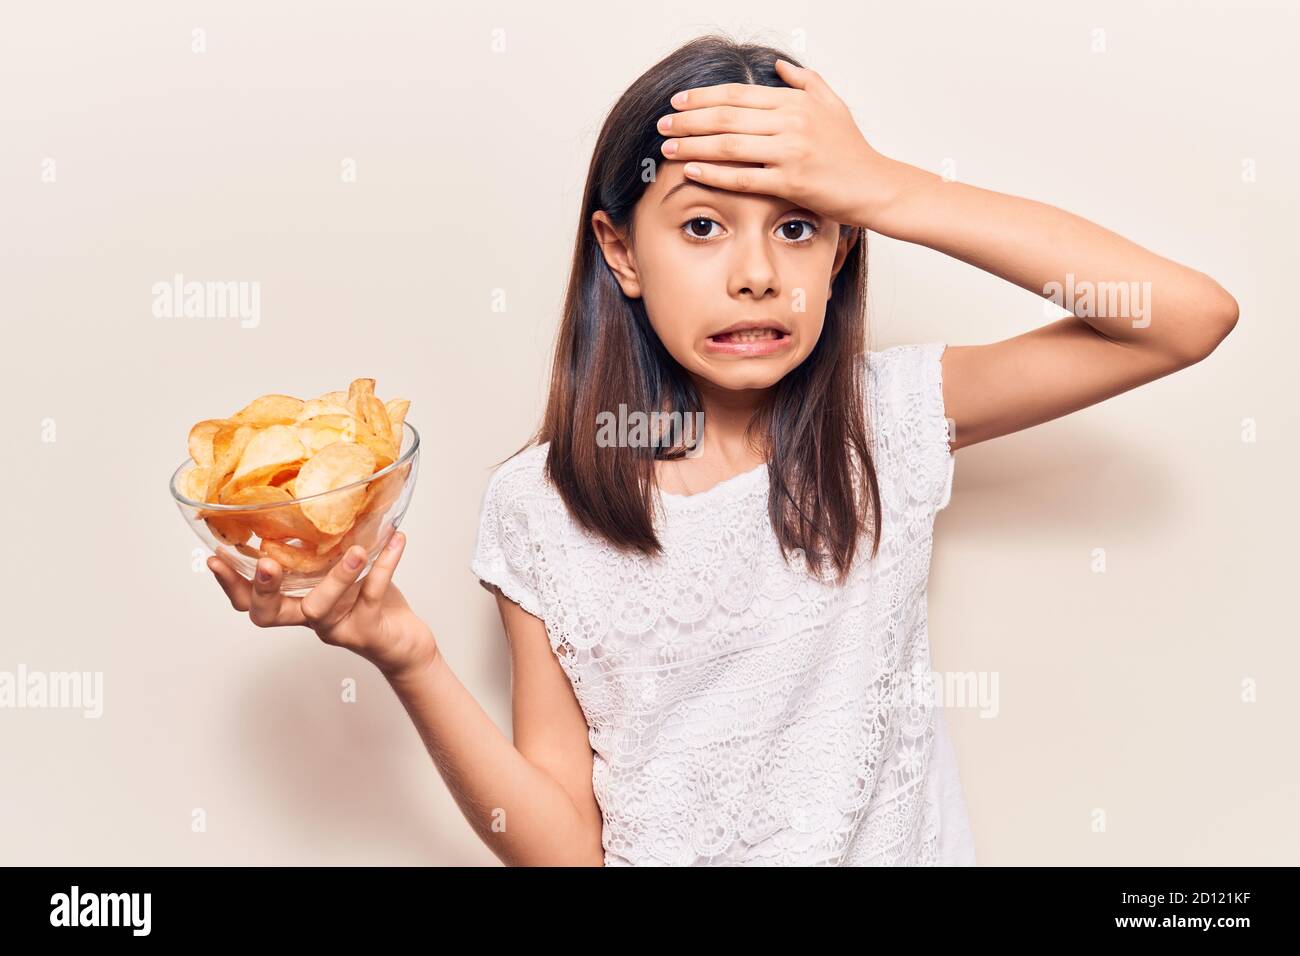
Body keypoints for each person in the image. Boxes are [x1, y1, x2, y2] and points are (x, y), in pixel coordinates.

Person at [207, 35, 1239, 866]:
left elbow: (1181, 319)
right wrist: (404, 651)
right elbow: (561, 847)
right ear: (621, 252)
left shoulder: (883, 420)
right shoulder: (542, 507)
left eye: (797, 229)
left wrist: (887, 188)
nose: (755, 273)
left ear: (841, 249)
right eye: (701, 227)